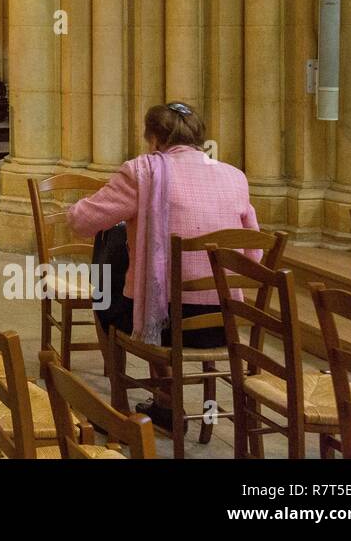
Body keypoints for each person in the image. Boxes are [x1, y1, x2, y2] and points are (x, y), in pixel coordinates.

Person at [65, 101, 261, 432]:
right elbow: (253, 257)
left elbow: (83, 222)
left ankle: (138, 405)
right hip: (222, 323)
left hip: (164, 324)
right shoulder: (234, 176)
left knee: (106, 290)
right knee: (145, 277)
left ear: (155, 138)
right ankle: (166, 404)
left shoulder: (143, 172)